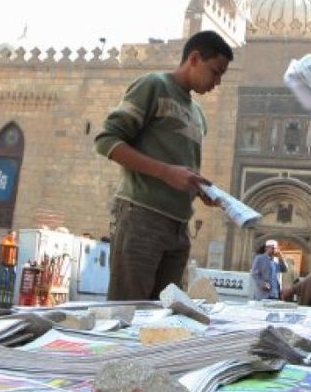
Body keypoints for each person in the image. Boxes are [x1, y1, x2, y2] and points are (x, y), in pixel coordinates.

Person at [94, 30, 233, 301]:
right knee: (128, 311)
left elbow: (179, 167)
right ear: (194, 58)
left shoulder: (198, 115)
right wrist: (165, 172)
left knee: (163, 316)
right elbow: (106, 141)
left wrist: (197, 188)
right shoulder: (154, 86)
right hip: (142, 218)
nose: (217, 82)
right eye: (215, 72)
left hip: (178, 227)